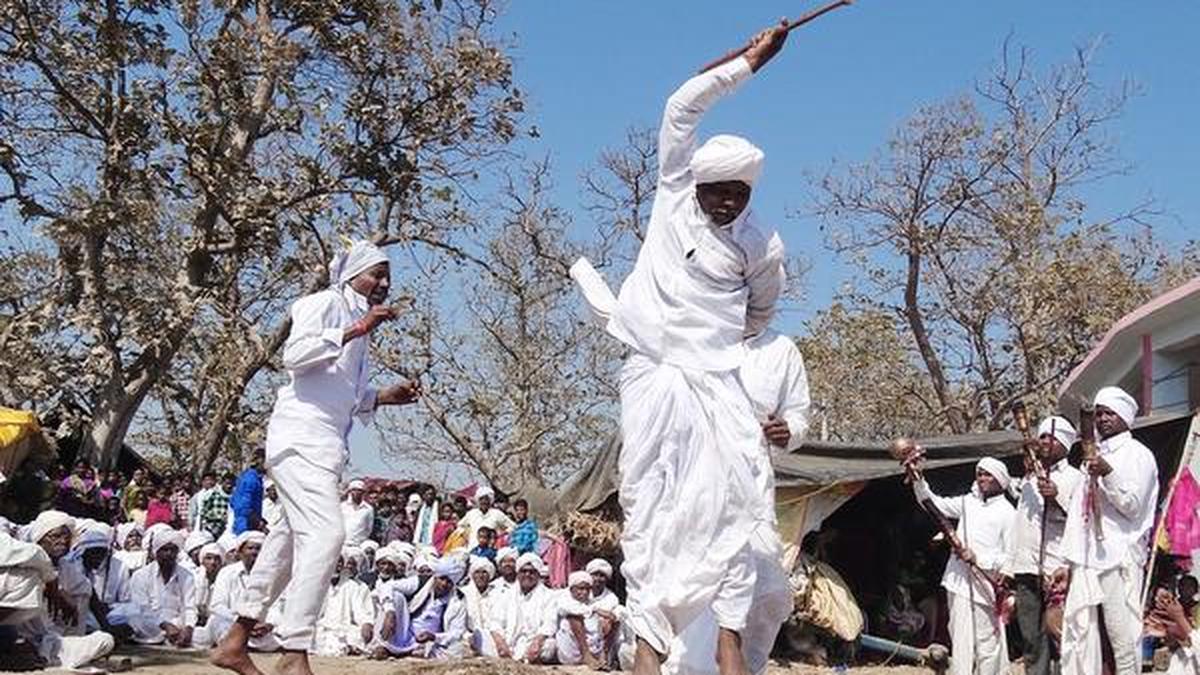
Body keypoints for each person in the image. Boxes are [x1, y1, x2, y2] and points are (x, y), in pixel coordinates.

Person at [568, 21, 792, 675]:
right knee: (651, 506)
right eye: (718, 190)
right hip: (652, 376)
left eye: (739, 194)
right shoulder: (671, 195)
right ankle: (649, 643)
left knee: (737, 504)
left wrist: (708, 340)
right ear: (696, 183)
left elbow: (761, 312)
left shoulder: (761, 244)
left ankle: (723, 637)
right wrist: (750, 63)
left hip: (717, 382)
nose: (727, 202)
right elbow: (680, 107)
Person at [211, 240, 421, 675]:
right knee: (327, 535)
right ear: (352, 276)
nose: (384, 283)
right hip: (300, 438)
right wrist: (357, 328)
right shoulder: (323, 303)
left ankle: (235, 640)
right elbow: (294, 356)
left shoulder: (359, 331)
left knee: (286, 546)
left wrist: (384, 396)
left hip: (324, 444)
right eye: (376, 274)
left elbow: (341, 394)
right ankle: (294, 650)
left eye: (387, 276)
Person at [1060, 386, 1159, 675]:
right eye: (1099, 413)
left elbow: (1133, 506)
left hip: (1117, 556)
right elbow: (1079, 511)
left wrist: (1108, 473)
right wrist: (1068, 560)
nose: (1103, 419)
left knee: (1122, 637)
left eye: (1110, 413)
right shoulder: (1091, 455)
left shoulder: (1139, 455)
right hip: (1087, 556)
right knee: (1081, 636)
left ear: (1125, 417)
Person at [911, 457, 1016, 675]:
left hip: (986, 587)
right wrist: (917, 479)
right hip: (958, 581)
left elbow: (1011, 557)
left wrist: (979, 559)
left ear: (1000, 480)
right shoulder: (968, 503)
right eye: (980, 474)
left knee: (987, 643)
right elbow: (934, 504)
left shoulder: (1008, 513)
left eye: (988, 474)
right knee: (960, 638)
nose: (982, 478)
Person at [1004, 416, 1083, 675]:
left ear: (1064, 444)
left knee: (1060, 633)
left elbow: (1081, 521)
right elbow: (1020, 523)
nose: (1045, 442)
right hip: (1026, 567)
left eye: (1051, 438)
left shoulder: (1075, 478)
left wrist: (1056, 498)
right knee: (1031, 639)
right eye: (1042, 437)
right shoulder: (1028, 479)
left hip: (1057, 568)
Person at [0, 513, 116, 670]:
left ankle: (41, 653)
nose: (63, 541)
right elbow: (36, 555)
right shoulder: (22, 570)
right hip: (27, 637)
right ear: (39, 538)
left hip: (56, 641)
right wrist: (52, 586)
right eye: (55, 536)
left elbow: (87, 593)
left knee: (105, 639)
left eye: (67, 537)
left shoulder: (69, 570)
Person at [371, 557, 468, 659]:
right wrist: (390, 612)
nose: (444, 584)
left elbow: (457, 632)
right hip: (404, 633)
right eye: (442, 579)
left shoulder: (458, 600)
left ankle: (405, 651)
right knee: (396, 597)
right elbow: (387, 586)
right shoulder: (421, 582)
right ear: (435, 577)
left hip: (431, 641)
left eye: (449, 582)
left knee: (457, 649)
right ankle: (384, 645)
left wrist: (434, 636)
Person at [118, 529, 196, 646]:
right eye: (165, 550)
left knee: (200, 635)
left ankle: (174, 637)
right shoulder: (141, 575)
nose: (169, 554)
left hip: (177, 622)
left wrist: (189, 628)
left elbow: (190, 607)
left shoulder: (187, 576)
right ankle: (166, 637)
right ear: (156, 552)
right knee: (136, 620)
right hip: (150, 623)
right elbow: (142, 608)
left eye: (173, 550)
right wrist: (165, 625)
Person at [203, 531, 277, 650]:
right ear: (240, 552)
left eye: (258, 549)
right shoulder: (227, 572)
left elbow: (278, 605)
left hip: (261, 628)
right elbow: (217, 605)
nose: (254, 552)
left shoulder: (273, 574)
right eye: (250, 548)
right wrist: (241, 622)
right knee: (217, 622)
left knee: (283, 631)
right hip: (233, 623)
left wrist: (268, 624)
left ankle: (242, 645)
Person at [483, 552, 557, 663]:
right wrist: (500, 643)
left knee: (550, 646)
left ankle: (525, 659)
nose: (527, 574)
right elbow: (495, 621)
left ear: (538, 574)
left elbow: (549, 623)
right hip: (508, 641)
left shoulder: (548, 595)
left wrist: (537, 642)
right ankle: (508, 656)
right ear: (518, 573)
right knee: (480, 636)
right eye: (523, 571)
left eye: (532, 572)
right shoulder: (507, 594)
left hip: (533, 641)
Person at [313, 551, 376, 657]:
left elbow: (359, 610)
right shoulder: (320, 585)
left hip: (344, 627)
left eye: (340, 562)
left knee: (356, 635)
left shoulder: (352, 586)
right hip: (323, 626)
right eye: (334, 561)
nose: (337, 565)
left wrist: (366, 623)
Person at [557, 570, 608, 669]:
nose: (584, 592)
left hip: (593, 648)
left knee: (609, 621)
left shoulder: (591, 603)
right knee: (574, 618)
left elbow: (612, 615)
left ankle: (603, 657)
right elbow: (574, 610)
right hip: (571, 651)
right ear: (572, 589)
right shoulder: (564, 600)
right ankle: (586, 656)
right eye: (580, 588)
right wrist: (594, 610)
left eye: (587, 589)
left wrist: (607, 617)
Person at [463, 556, 497, 653]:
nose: (480, 576)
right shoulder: (463, 593)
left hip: (493, 638)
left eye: (484, 572)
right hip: (468, 638)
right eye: (477, 572)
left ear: (490, 575)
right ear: (472, 575)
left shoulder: (497, 593)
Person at [230, 450, 266, 535]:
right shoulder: (250, 479)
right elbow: (242, 505)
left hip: (249, 522)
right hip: (246, 525)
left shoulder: (256, 479)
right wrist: (256, 521)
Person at [194, 543, 225, 631]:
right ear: (202, 561)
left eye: (217, 559)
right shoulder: (194, 578)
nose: (213, 562)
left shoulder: (225, 579)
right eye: (208, 558)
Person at [341, 479, 375, 547]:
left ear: (363, 492)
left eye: (359, 490)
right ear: (350, 491)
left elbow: (369, 529)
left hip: (359, 545)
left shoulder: (368, 509)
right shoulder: (342, 506)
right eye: (354, 490)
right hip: (342, 543)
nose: (356, 492)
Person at [200, 475, 233, 540]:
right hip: (211, 527)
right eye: (227, 483)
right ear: (223, 483)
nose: (229, 486)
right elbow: (204, 511)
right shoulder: (213, 494)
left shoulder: (234, 496)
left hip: (225, 529)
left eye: (231, 484)